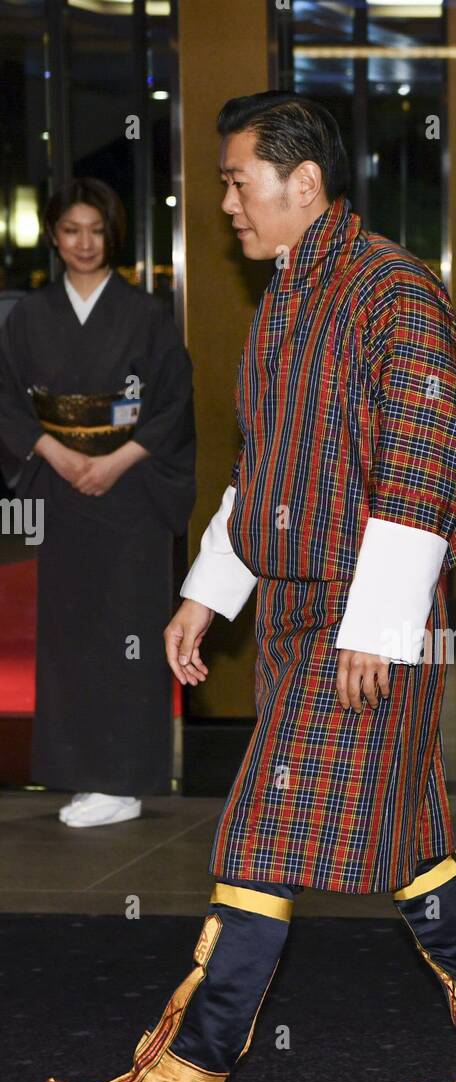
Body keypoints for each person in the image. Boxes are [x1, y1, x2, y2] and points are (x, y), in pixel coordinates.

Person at [31, 93, 456, 1082]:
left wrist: (376, 628)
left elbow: (428, 461)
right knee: (415, 851)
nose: (223, 203)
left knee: (257, 837)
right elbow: (269, 476)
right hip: (305, 612)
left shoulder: (392, 289)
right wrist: (209, 589)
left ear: (303, 183)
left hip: (361, 625)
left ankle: (182, 1081)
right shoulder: (293, 294)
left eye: (235, 181)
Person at [0, 178, 195, 825]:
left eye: (95, 230)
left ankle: (124, 779)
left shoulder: (146, 314)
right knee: (69, 631)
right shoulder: (28, 316)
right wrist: (59, 455)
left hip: (131, 491)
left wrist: (115, 459)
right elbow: (8, 402)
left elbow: (172, 403)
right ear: (54, 236)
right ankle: (81, 771)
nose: (84, 243)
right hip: (62, 490)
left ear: (112, 234)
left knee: (129, 630)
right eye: (70, 230)